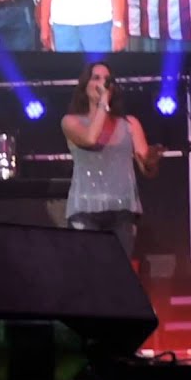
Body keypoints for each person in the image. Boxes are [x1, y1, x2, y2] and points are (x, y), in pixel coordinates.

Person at [61, 61, 164, 261]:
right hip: (85, 209)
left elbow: (147, 169)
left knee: (118, 274)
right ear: (85, 85)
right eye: (96, 78)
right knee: (89, 274)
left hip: (122, 212)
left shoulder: (130, 124)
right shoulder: (70, 121)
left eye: (107, 80)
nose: (102, 84)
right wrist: (102, 104)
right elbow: (90, 138)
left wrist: (151, 160)